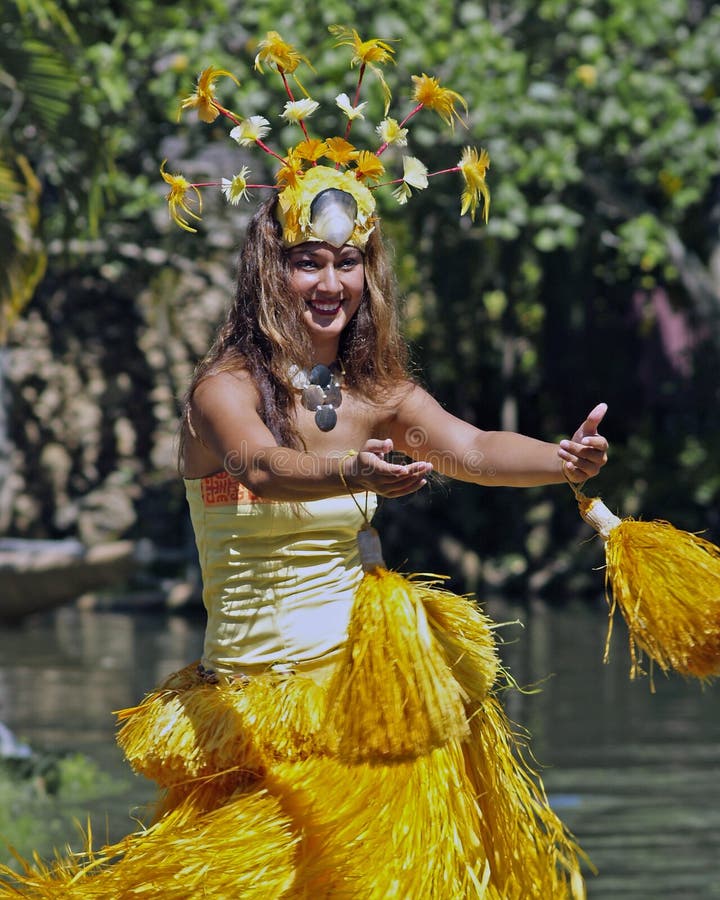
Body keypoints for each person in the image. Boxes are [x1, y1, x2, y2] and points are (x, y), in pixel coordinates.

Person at [0, 28, 608, 900]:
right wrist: (353, 476)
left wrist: (563, 460)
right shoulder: (225, 388)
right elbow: (256, 466)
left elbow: (472, 448)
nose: (329, 282)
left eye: (347, 261)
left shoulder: (377, 391)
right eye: (307, 260)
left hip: (366, 701)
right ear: (269, 268)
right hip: (258, 709)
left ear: (369, 272)